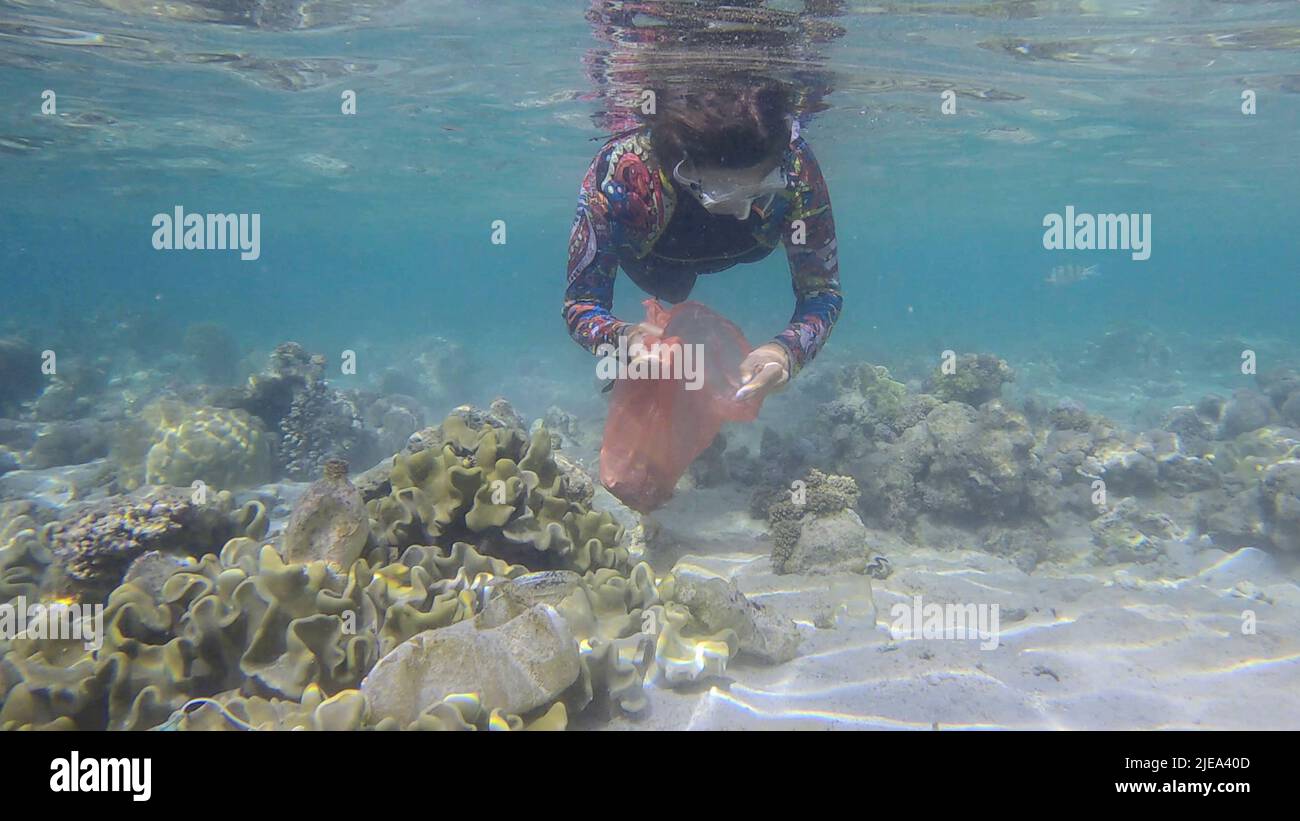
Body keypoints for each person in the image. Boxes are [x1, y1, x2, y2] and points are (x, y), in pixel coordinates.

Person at [563, 78, 841, 401]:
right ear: (684, 170)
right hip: (654, 261)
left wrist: (785, 354)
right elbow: (581, 304)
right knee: (673, 290)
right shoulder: (623, 174)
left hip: (733, 248)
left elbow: (822, 292)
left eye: (762, 191)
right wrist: (623, 339)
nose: (742, 212)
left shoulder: (795, 167)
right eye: (725, 194)